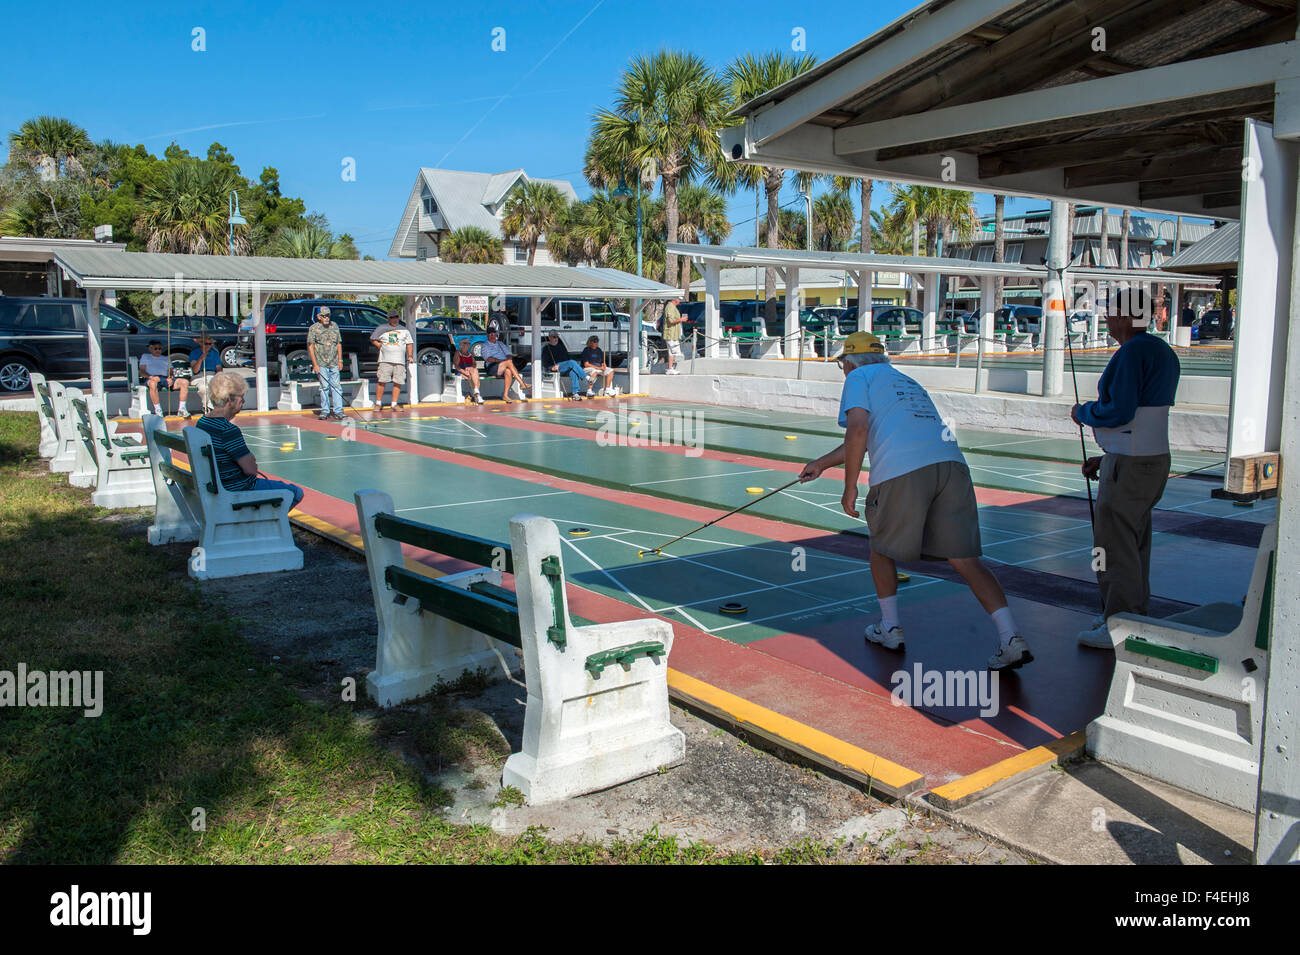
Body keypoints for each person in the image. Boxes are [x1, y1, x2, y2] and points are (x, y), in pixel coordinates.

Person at [799, 332, 1032, 671]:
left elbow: (858, 431)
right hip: (952, 467)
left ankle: (891, 628)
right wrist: (821, 464)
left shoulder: (858, 377)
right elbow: (869, 437)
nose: (842, 370)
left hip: (902, 470)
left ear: (849, 362)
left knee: (881, 549)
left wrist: (850, 487)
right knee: (966, 560)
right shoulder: (905, 381)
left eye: (842, 364)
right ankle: (1011, 637)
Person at [1071, 287, 1181, 648]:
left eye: (1110, 311)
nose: (1106, 317)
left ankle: (1119, 624)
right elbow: (1144, 420)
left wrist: (1083, 413)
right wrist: (1108, 458)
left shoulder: (1132, 353)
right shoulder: (1161, 351)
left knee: (1113, 547)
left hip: (1131, 466)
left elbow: (1119, 411)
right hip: (1147, 462)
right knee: (1134, 544)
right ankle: (1130, 616)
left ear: (1123, 316)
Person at [196, 371, 304, 509]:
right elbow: (251, 469)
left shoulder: (202, 423)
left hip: (215, 488)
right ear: (230, 399)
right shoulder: (228, 430)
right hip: (236, 490)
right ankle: (268, 526)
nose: (244, 402)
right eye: (241, 397)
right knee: (295, 493)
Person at [305, 305, 345, 421]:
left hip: (334, 361)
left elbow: (338, 343)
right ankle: (325, 410)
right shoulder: (314, 328)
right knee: (324, 387)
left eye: (328, 315)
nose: (326, 318)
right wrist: (315, 364)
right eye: (324, 316)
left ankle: (338, 411)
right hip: (321, 362)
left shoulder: (334, 326)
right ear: (318, 317)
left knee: (337, 386)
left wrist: (340, 360)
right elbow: (311, 347)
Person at [371, 309, 414, 410]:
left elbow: (409, 343)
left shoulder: (404, 330)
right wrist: (379, 345)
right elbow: (373, 338)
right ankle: (378, 403)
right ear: (388, 318)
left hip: (399, 360)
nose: (395, 320)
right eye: (392, 318)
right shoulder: (382, 328)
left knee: (398, 382)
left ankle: (394, 404)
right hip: (385, 360)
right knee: (382, 380)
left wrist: (410, 356)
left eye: (396, 317)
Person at [140, 340, 191, 418]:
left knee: (184, 382)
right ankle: (158, 410)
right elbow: (142, 371)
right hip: (152, 378)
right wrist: (152, 377)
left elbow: (171, 371)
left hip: (164, 378)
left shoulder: (166, 358)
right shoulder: (145, 356)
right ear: (150, 348)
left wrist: (170, 378)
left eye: (160, 349)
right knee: (152, 384)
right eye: (155, 348)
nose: (158, 350)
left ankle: (182, 409)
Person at [481, 328, 528, 402]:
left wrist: (507, 359)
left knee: (508, 371)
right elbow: (488, 358)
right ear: (487, 335)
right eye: (490, 334)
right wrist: (502, 361)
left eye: (493, 334)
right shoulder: (485, 345)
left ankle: (505, 395)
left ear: (496, 334)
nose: (492, 336)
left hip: (504, 365)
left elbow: (508, 354)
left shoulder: (500, 344)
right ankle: (522, 383)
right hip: (492, 367)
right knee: (508, 363)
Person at [542, 332, 591, 400]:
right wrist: (551, 368)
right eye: (554, 337)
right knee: (572, 362)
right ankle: (586, 377)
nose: (556, 338)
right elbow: (545, 363)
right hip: (554, 367)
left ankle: (575, 393)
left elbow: (567, 358)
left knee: (573, 371)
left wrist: (565, 365)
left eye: (556, 337)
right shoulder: (546, 348)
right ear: (549, 337)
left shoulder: (561, 347)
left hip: (564, 366)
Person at [189, 334, 223, 413]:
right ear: (201, 344)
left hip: (211, 374)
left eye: (209, 344)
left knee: (210, 385)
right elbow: (195, 370)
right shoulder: (194, 353)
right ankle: (209, 407)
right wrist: (200, 359)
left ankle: (206, 407)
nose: (208, 346)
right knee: (203, 388)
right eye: (205, 344)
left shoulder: (215, 353)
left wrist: (219, 375)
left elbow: (218, 368)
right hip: (199, 375)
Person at [454, 337, 485, 404]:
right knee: (475, 376)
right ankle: (477, 395)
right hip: (461, 371)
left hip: (470, 371)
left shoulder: (470, 354)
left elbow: (474, 364)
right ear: (462, 344)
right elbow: (456, 366)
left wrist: (470, 368)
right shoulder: (458, 353)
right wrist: (464, 371)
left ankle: (476, 392)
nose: (468, 345)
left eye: (469, 343)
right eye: (466, 343)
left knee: (474, 371)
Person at [662, 296, 684, 375]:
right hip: (671, 333)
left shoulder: (672, 307)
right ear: (675, 299)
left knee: (673, 352)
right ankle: (670, 368)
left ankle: (670, 368)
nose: (680, 301)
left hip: (674, 334)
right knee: (673, 351)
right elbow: (670, 321)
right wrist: (681, 319)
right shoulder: (670, 307)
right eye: (679, 299)